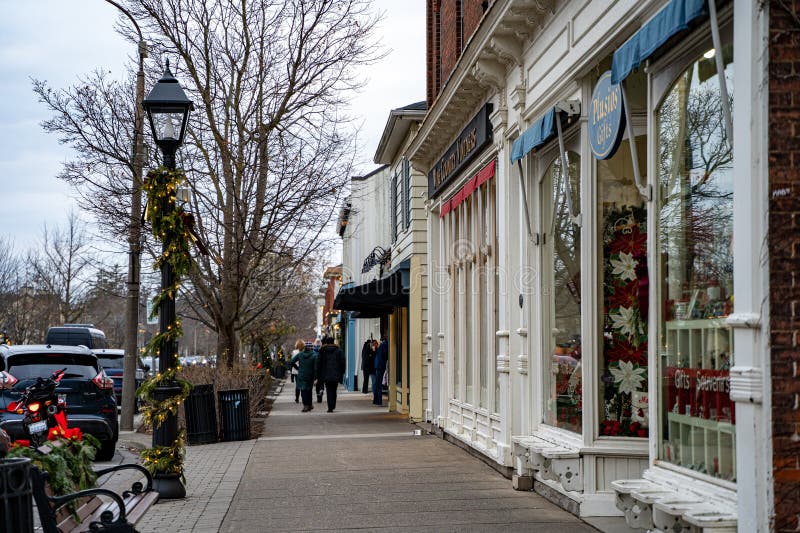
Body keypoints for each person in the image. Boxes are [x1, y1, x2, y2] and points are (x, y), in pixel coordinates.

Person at [316, 336, 345, 412]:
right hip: (336, 373)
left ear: (326, 342)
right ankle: (333, 404)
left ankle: (330, 407)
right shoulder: (339, 350)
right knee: (334, 390)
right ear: (333, 341)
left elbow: (318, 363)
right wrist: (342, 372)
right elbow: (343, 362)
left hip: (325, 374)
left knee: (329, 390)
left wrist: (319, 374)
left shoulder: (322, 351)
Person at [288, 339, 317, 412]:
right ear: (311, 348)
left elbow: (291, 362)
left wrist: (297, 368)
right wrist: (316, 377)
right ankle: (309, 405)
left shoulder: (300, 354)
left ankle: (305, 405)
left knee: (303, 390)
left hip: (301, 374)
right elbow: (316, 367)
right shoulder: (314, 355)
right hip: (310, 375)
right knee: (309, 390)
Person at [373, 337, 388, 406]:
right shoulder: (384, 345)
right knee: (377, 383)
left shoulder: (383, 345)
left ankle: (378, 400)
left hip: (379, 366)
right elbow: (385, 355)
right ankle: (376, 400)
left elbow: (384, 354)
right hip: (380, 365)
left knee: (377, 384)